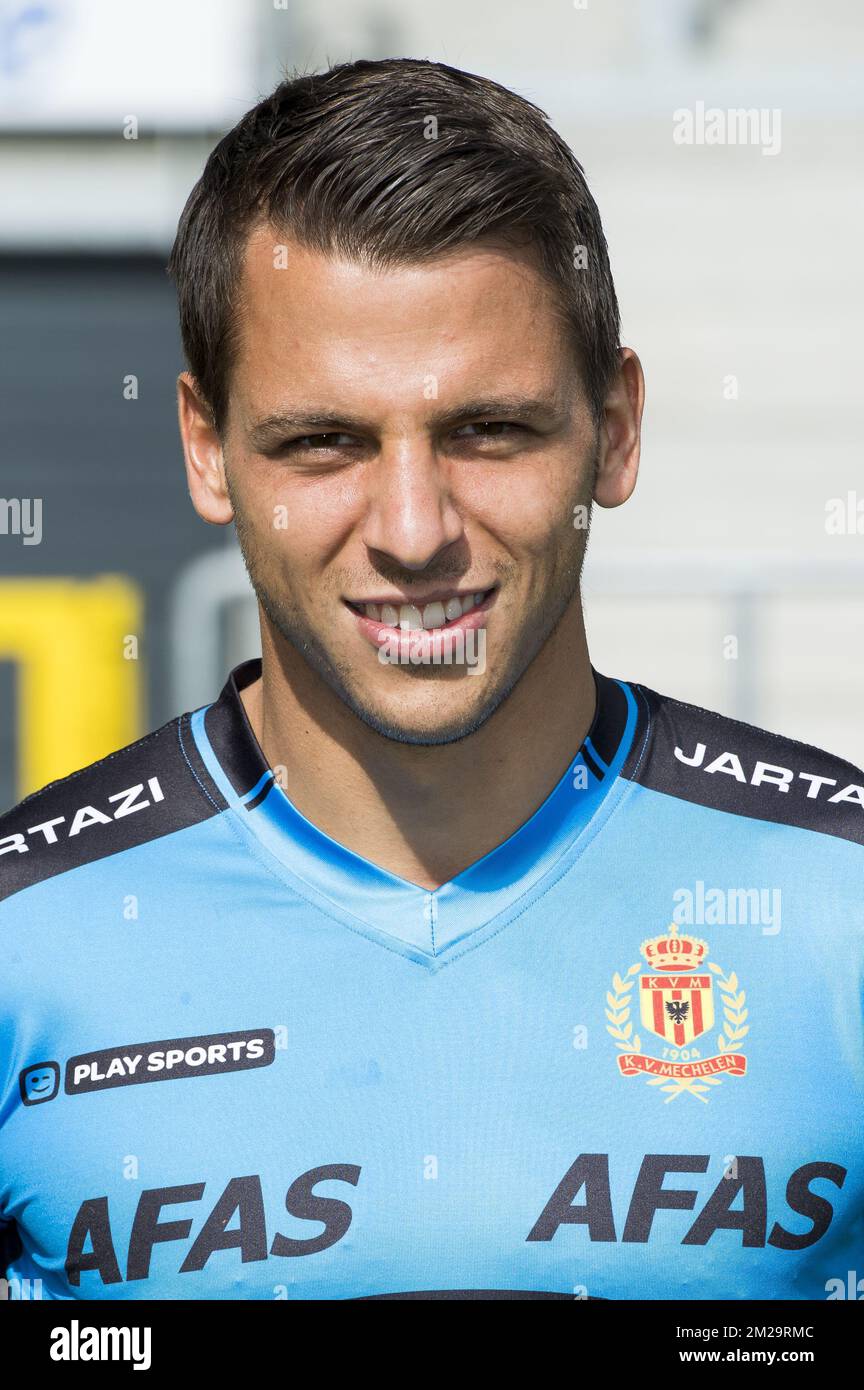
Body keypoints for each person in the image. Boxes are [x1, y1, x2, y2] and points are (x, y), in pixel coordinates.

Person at [1, 58, 861, 1302]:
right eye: (324, 443)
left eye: (488, 430)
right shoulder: (28, 939)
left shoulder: (838, 912)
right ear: (207, 451)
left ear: (615, 429)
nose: (412, 529)